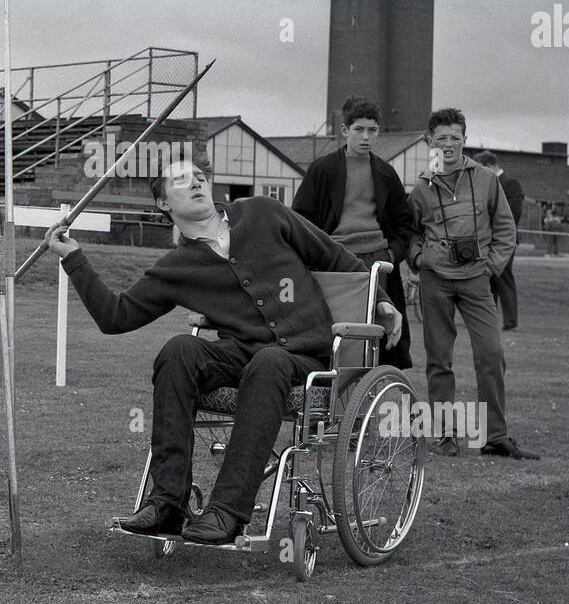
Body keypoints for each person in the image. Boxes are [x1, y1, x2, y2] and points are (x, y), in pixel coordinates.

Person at [45, 161, 402, 545]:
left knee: (270, 361)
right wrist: (74, 258)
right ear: (163, 203)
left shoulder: (263, 212)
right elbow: (115, 317)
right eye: (182, 181)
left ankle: (228, 511)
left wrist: (381, 301)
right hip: (240, 355)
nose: (196, 182)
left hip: (304, 359)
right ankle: (167, 504)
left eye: (200, 176)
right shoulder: (176, 267)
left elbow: (336, 257)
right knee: (179, 349)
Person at [408, 109, 538, 460]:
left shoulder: (485, 179)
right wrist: (421, 259)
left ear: (465, 139)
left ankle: (495, 437)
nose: (448, 144)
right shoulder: (420, 187)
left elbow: (505, 229)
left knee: (492, 355)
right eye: (441, 138)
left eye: (455, 137)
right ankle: (445, 436)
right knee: (439, 359)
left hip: (477, 281)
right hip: (435, 283)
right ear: (429, 141)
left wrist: (490, 269)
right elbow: (409, 233)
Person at [292, 96, 414, 369]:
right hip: (333, 261)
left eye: (372, 130)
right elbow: (300, 218)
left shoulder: (386, 173)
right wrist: (315, 254)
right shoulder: (323, 169)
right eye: (359, 129)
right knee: (334, 330)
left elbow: (405, 225)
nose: (366, 137)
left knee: (379, 334)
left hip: (377, 263)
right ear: (345, 131)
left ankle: (373, 398)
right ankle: (331, 395)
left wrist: (392, 255)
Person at [472, 150, 522, 330]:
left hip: (504, 242)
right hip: (486, 241)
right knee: (489, 280)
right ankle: (489, 319)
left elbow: (513, 215)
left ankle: (510, 321)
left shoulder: (511, 185)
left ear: (490, 166)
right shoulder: (484, 185)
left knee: (504, 278)